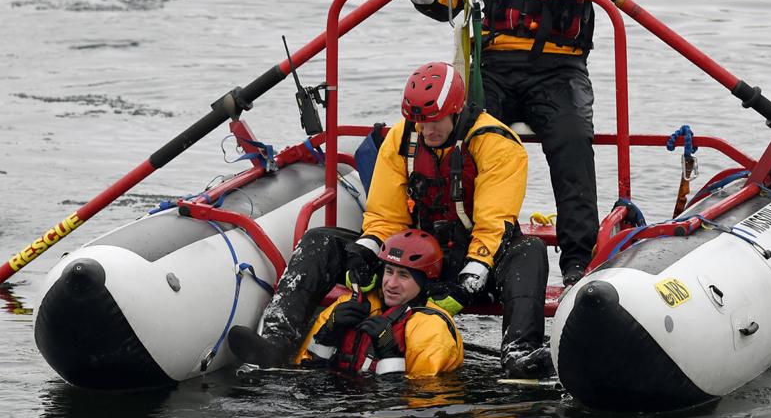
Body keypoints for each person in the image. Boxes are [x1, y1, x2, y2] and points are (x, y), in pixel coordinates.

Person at [227, 61, 554, 378]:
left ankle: (518, 353)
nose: (426, 130)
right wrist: (367, 254)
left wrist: (467, 284)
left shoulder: (497, 144)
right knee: (320, 240)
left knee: (529, 251)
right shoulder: (401, 140)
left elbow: (494, 226)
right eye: (420, 122)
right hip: (413, 260)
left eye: (434, 121)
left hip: (470, 262)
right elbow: (385, 217)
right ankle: (276, 339)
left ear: (456, 110)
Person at [391, 0, 624, 286]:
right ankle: (456, 241)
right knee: (460, 136)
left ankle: (578, 259)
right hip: (493, 68)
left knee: (571, 141)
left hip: (558, 70)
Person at [289, 229, 463, 376]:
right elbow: (305, 373)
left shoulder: (431, 330)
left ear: (425, 282)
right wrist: (327, 335)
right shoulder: (348, 304)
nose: (391, 283)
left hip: (384, 409)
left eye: (403, 275)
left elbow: (420, 404)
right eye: (389, 271)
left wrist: (390, 354)